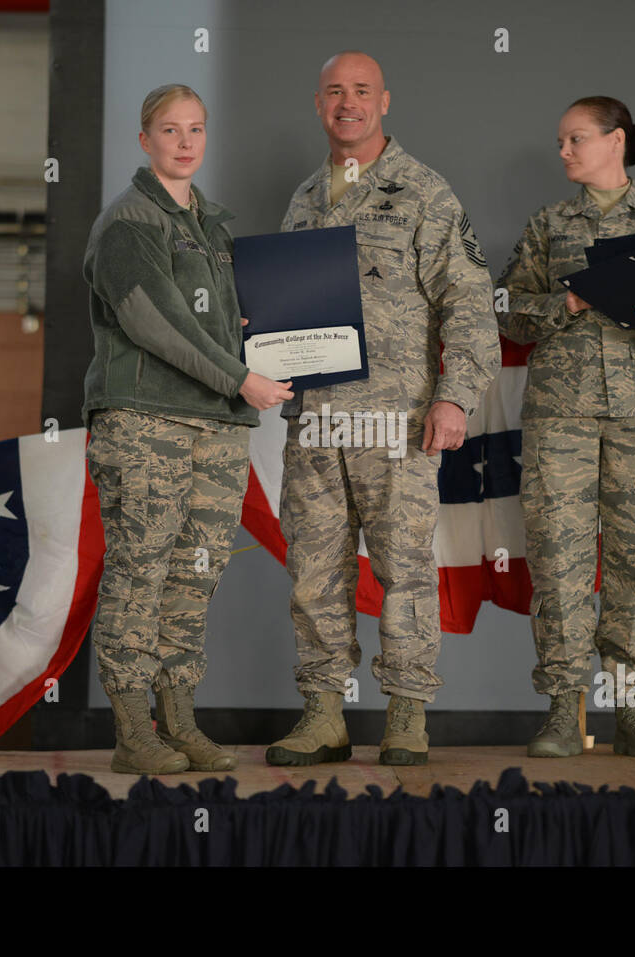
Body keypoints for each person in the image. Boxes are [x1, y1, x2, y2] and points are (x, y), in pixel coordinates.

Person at [265, 51, 501, 768]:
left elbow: (468, 303)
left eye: (362, 91)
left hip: (396, 421)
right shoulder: (305, 198)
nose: (348, 103)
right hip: (316, 422)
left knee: (404, 569)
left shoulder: (425, 192)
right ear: (318, 103)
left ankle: (406, 714)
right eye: (335, 91)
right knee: (313, 572)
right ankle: (324, 715)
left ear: (385, 102)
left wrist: (455, 395)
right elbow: (283, 305)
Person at [496, 96, 635, 758]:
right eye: (560, 141)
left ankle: (634, 711)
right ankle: (565, 711)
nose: (563, 151)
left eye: (575, 139)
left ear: (615, 141)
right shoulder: (549, 223)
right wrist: (566, 301)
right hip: (560, 415)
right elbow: (506, 308)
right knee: (560, 563)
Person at [81, 84, 293, 774]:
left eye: (196, 128)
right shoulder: (128, 222)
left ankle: (178, 722)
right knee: (139, 572)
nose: (184, 141)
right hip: (147, 421)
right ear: (144, 140)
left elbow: (213, 323)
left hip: (216, 428)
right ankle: (131, 731)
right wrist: (239, 377)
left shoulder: (214, 228)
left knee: (192, 576)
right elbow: (154, 322)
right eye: (169, 130)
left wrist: (256, 338)